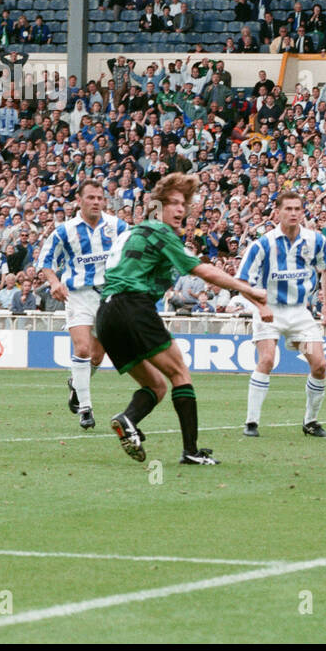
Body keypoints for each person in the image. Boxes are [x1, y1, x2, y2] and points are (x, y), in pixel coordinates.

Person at [98, 172, 269, 465]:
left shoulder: (131, 232)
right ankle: (191, 451)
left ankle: (127, 419)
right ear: (157, 206)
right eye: (173, 203)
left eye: (184, 204)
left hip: (106, 315)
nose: (181, 210)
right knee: (179, 374)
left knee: (157, 386)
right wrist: (249, 291)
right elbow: (202, 271)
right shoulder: (160, 232)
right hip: (132, 306)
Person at [238, 189, 326, 439]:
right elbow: (241, 281)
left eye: (297, 209)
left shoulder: (316, 241)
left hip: (300, 313)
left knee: (320, 364)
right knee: (267, 359)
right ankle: (251, 422)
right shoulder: (263, 244)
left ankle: (310, 421)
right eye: (288, 209)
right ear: (277, 212)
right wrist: (260, 307)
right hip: (269, 309)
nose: (293, 213)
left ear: (303, 212)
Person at [37, 179, 129, 429]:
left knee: (98, 356)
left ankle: (76, 385)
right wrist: (54, 282)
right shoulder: (65, 231)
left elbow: (135, 248)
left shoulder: (118, 226)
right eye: (91, 197)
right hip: (77, 295)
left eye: (100, 198)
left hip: (108, 296)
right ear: (79, 200)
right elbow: (45, 260)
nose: (96, 202)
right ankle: (86, 410)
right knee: (82, 349)